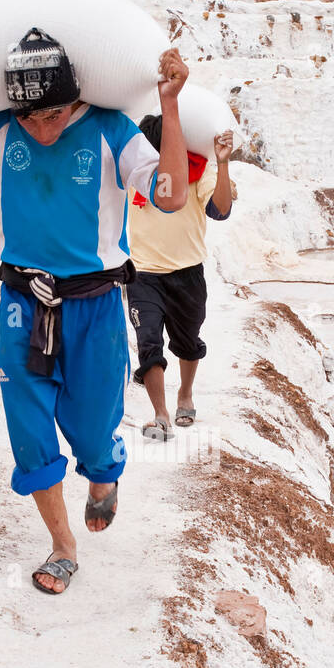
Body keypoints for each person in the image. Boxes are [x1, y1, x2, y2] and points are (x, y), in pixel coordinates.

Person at [0, 31, 191, 595]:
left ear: (75, 98)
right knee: (30, 433)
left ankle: (103, 475)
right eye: (30, 117)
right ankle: (62, 547)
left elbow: (172, 193)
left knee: (94, 432)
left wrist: (170, 106)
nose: (43, 129)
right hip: (20, 305)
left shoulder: (110, 130)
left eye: (54, 114)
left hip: (96, 308)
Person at [128, 121, 234, 440]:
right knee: (148, 343)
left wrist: (223, 162)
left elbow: (221, 210)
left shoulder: (197, 170)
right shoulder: (133, 174)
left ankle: (185, 394)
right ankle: (160, 416)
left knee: (188, 342)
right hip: (142, 273)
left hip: (187, 273)